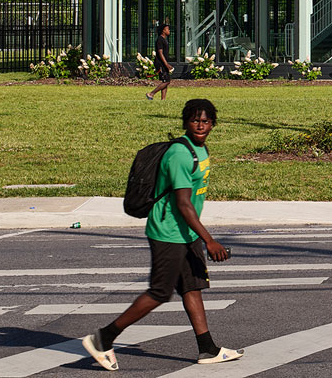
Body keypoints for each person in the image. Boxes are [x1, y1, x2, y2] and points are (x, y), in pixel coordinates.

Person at [82, 98, 243, 369]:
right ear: (185, 122)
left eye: (205, 121)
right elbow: (182, 203)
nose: (200, 126)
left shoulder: (200, 149)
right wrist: (209, 240)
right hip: (168, 233)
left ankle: (207, 349)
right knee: (159, 292)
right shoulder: (181, 154)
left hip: (186, 233)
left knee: (192, 286)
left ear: (213, 123)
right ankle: (103, 339)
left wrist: (197, 236)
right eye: (194, 120)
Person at [144, 22, 174, 102]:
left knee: (166, 80)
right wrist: (166, 64)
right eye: (167, 29)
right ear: (163, 31)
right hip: (160, 63)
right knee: (166, 81)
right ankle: (151, 94)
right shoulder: (160, 40)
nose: (169, 30)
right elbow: (160, 53)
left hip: (163, 63)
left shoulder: (164, 40)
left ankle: (163, 99)